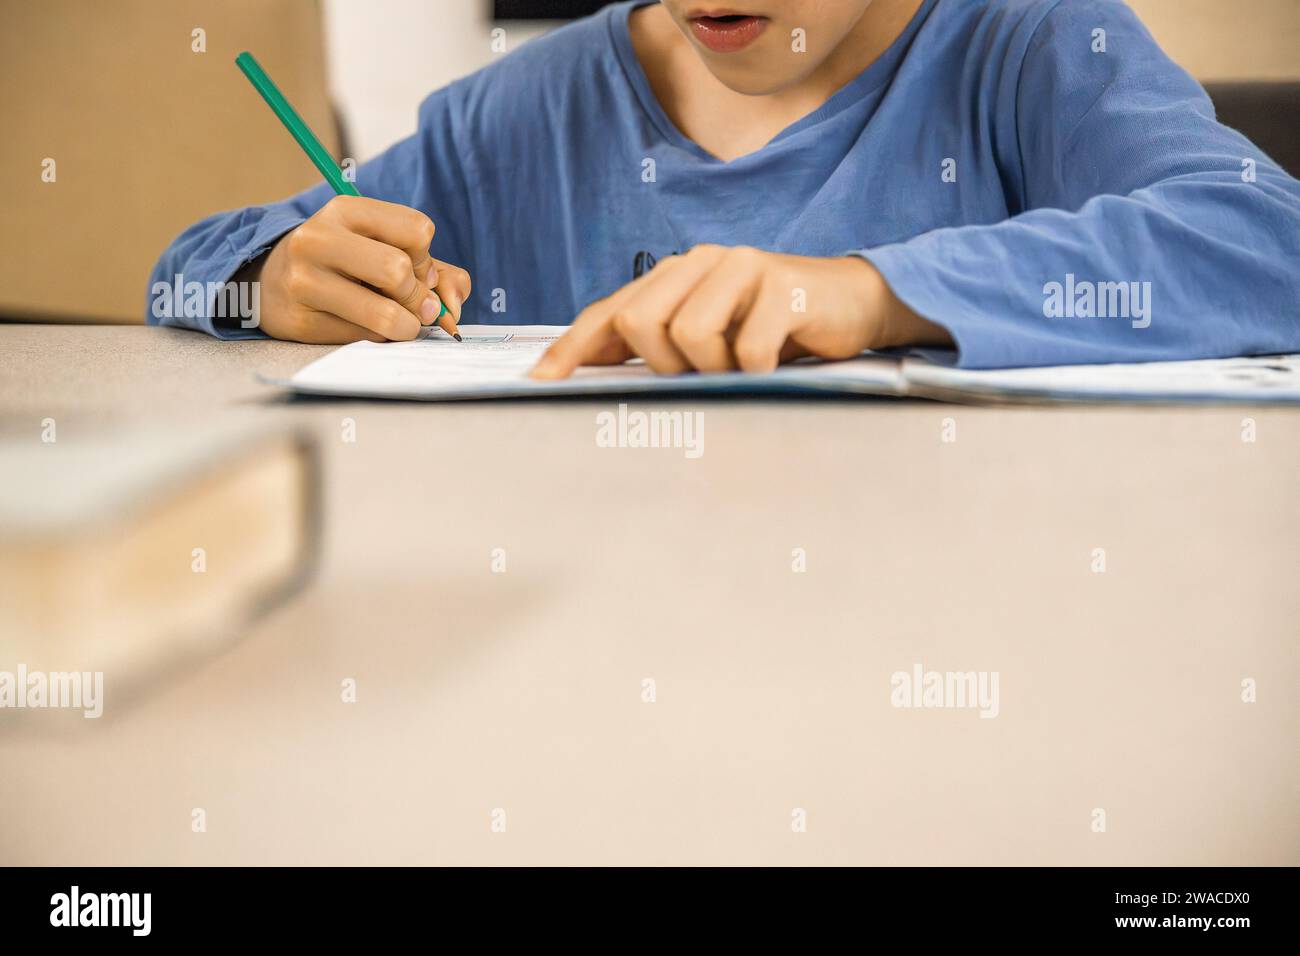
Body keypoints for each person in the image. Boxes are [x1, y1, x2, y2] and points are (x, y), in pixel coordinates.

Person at [148, 0, 1300, 376]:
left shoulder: (1027, 43)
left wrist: (873, 292)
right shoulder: (534, 106)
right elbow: (189, 264)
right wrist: (267, 279)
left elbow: (1267, 241)